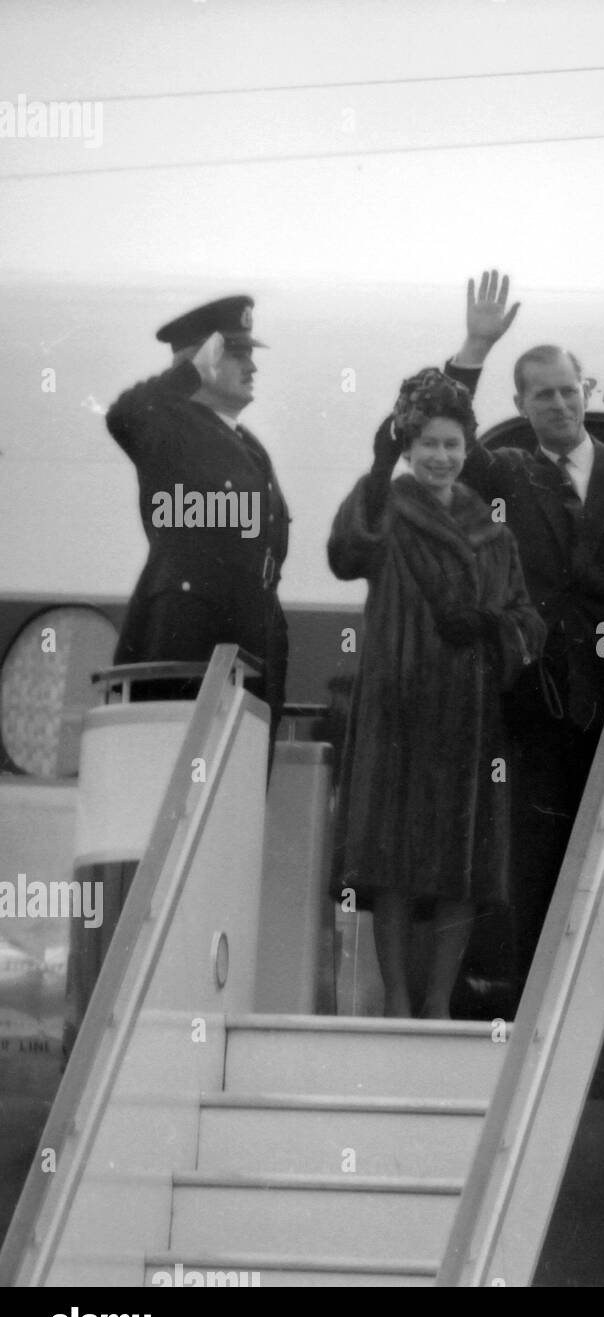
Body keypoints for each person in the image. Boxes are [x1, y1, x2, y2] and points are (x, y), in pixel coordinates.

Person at [443, 273, 604, 1002]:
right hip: (531, 710)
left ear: (586, 391)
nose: (557, 403)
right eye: (540, 394)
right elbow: (442, 432)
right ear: (519, 406)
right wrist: (476, 345)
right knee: (531, 861)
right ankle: (532, 1006)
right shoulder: (508, 475)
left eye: (567, 389)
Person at [328, 368, 545, 1019]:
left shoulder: (493, 531)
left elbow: (526, 621)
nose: (442, 457)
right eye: (428, 444)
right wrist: (377, 462)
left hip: (468, 716)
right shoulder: (386, 507)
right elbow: (345, 551)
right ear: (409, 447)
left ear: (467, 447)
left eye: (453, 444)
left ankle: (439, 1001)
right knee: (391, 860)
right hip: (397, 708)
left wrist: (489, 627)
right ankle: (397, 996)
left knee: (463, 865)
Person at [106, 295, 290, 728]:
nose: (252, 367)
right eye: (236, 354)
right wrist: (185, 374)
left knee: (239, 784)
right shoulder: (168, 430)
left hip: (251, 636)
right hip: (189, 631)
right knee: (177, 775)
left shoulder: (248, 445)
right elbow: (124, 415)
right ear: (201, 360)